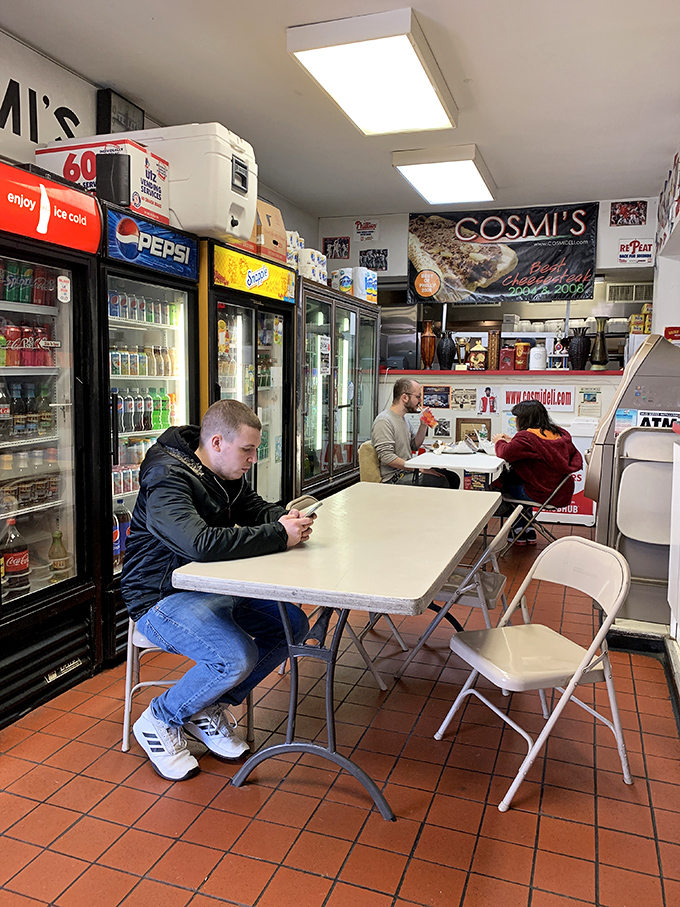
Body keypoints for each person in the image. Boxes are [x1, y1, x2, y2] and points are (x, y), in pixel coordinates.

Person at [121, 400, 312, 781]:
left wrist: (285, 518)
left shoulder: (223, 470)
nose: (253, 459)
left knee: (291, 626)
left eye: (255, 450)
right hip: (159, 596)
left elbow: (255, 509)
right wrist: (278, 536)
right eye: (248, 450)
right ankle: (159, 718)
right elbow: (199, 544)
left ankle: (205, 706)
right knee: (236, 655)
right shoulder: (166, 477)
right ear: (218, 442)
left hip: (213, 588)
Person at [492, 399, 582, 545]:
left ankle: (518, 529)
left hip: (540, 492)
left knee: (505, 486)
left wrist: (499, 441)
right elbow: (533, 448)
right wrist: (513, 441)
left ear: (525, 419)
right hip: (559, 491)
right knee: (523, 482)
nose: (515, 420)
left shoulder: (527, 437)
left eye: (517, 417)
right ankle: (526, 530)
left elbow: (505, 453)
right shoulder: (558, 433)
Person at [371, 378, 455, 487]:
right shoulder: (384, 421)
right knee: (440, 482)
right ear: (405, 397)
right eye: (418, 397)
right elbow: (387, 457)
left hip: (408, 471)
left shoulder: (404, 419)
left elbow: (414, 445)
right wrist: (417, 468)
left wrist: (423, 426)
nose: (420, 401)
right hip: (394, 478)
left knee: (452, 478)